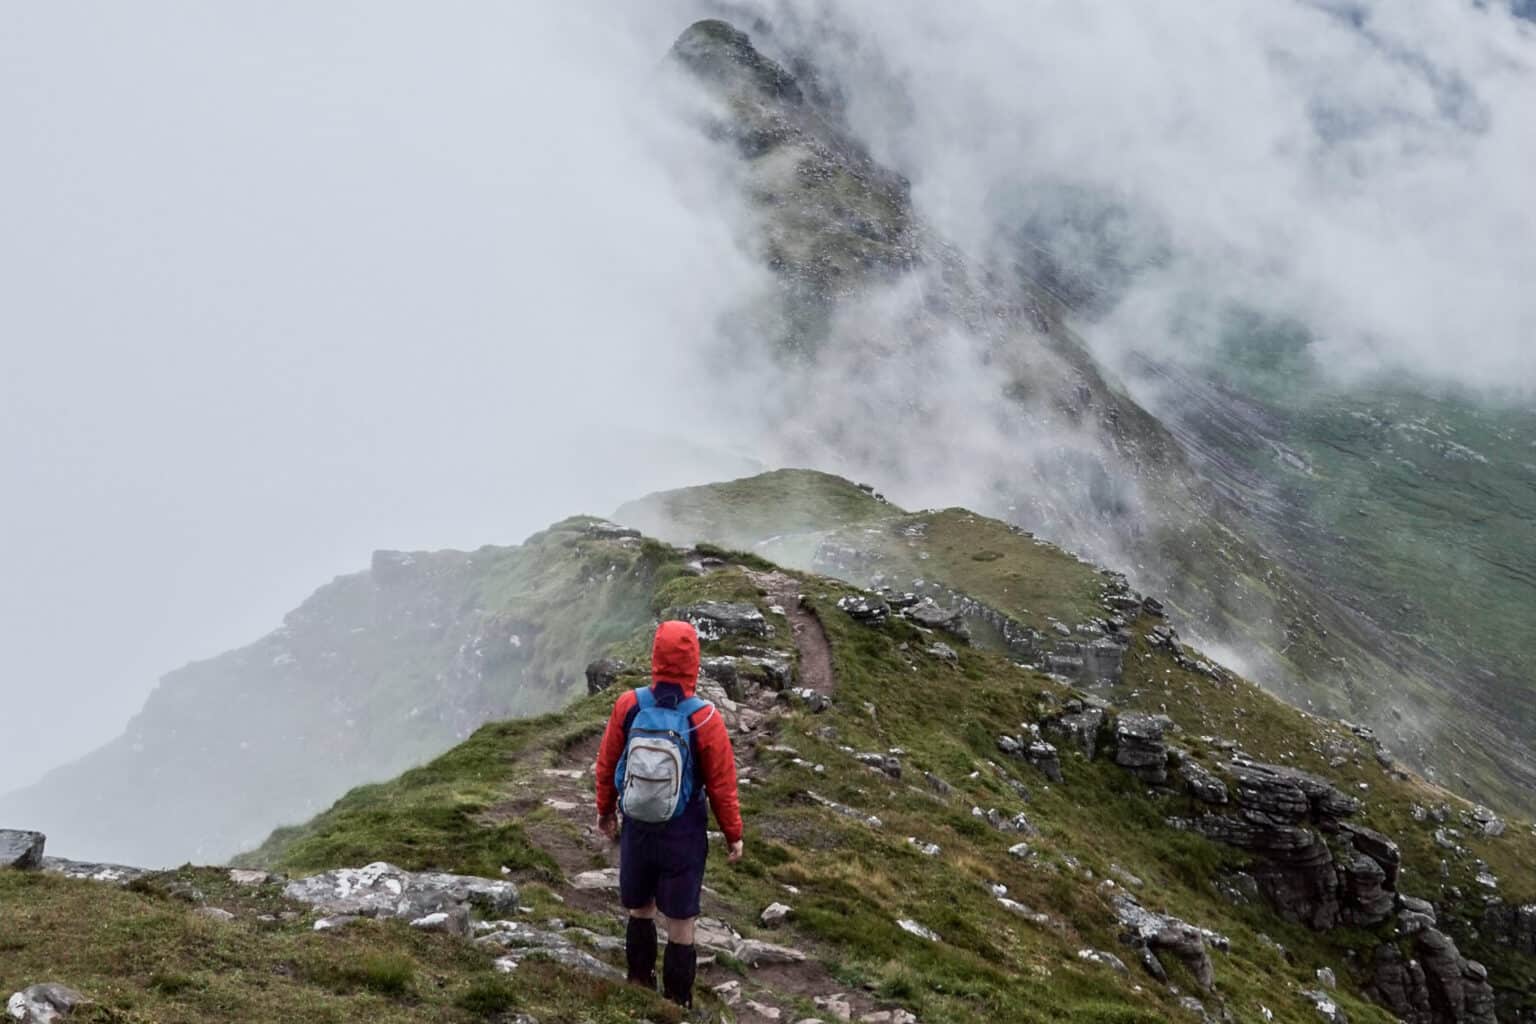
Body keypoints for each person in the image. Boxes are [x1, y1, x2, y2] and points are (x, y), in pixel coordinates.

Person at [594, 620, 744, 1007]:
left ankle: (639, 985)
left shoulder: (629, 705)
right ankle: (678, 1003)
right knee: (681, 923)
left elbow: (608, 762)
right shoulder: (705, 718)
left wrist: (605, 811)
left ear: (655, 657)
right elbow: (722, 785)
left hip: (638, 827)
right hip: (683, 833)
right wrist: (733, 834)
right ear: (694, 660)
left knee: (639, 909)